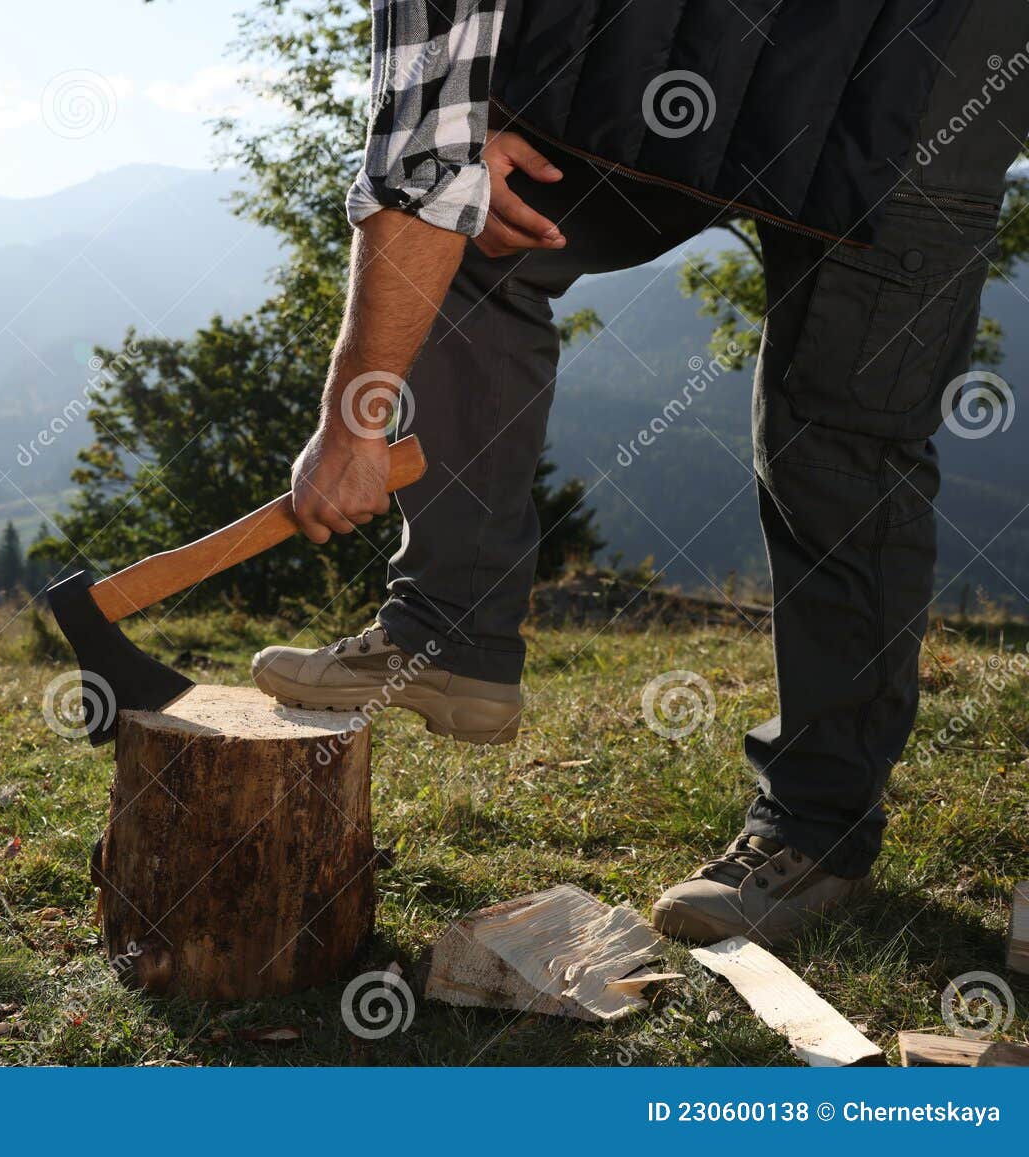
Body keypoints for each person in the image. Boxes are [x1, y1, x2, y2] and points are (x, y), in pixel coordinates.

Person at [251, 0, 1028, 944]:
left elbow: (418, 156)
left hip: (915, 67)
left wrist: (350, 424)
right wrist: (474, 138)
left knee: (838, 440)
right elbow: (435, 159)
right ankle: (450, 628)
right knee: (478, 235)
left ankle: (816, 833)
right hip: (688, 56)